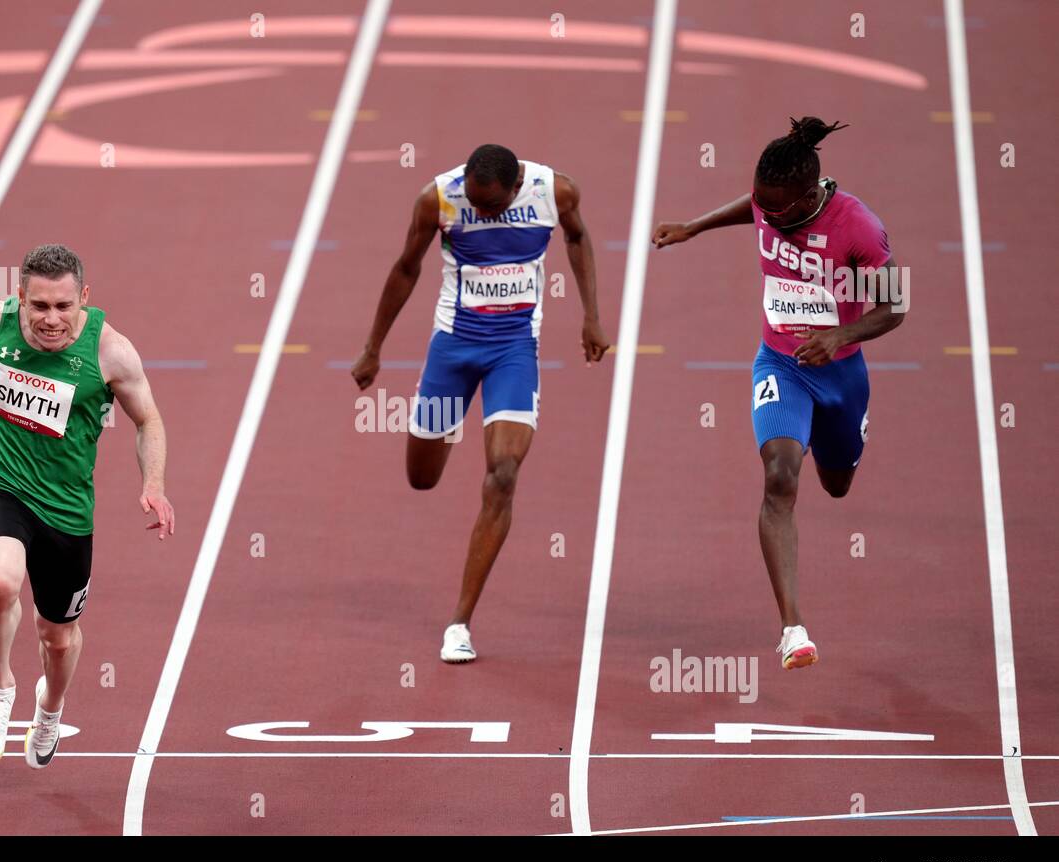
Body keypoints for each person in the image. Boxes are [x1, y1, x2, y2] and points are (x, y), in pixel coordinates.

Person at [652, 116, 905, 670]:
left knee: (836, 486)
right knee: (779, 477)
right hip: (779, 364)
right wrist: (694, 227)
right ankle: (793, 628)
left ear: (810, 195)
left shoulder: (859, 229)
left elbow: (896, 306)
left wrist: (840, 334)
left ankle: (847, 434)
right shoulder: (773, 202)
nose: (767, 215)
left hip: (840, 374)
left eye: (778, 209)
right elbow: (754, 206)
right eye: (762, 205)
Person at [352, 143, 610, 663]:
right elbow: (406, 268)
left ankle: (459, 624)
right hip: (453, 348)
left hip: (514, 351)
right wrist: (373, 347)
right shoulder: (438, 199)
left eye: (489, 206)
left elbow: (578, 237)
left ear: (515, 189)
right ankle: (446, 424)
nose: (479, 212)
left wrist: (590, 315)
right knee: (422, 477)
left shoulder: (554, 190)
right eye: (473, 200)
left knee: (504, 474)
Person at [0, 244, 174, 766]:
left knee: (59, 638)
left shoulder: (111, 353)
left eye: (63, 307)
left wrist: (152, 484)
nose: (51, 320)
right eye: (39, 306)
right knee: (0, 582)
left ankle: (50, 707)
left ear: (83, 299)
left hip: (66, 508)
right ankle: (1, 689)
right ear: (20, 297)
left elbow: (148, 420)